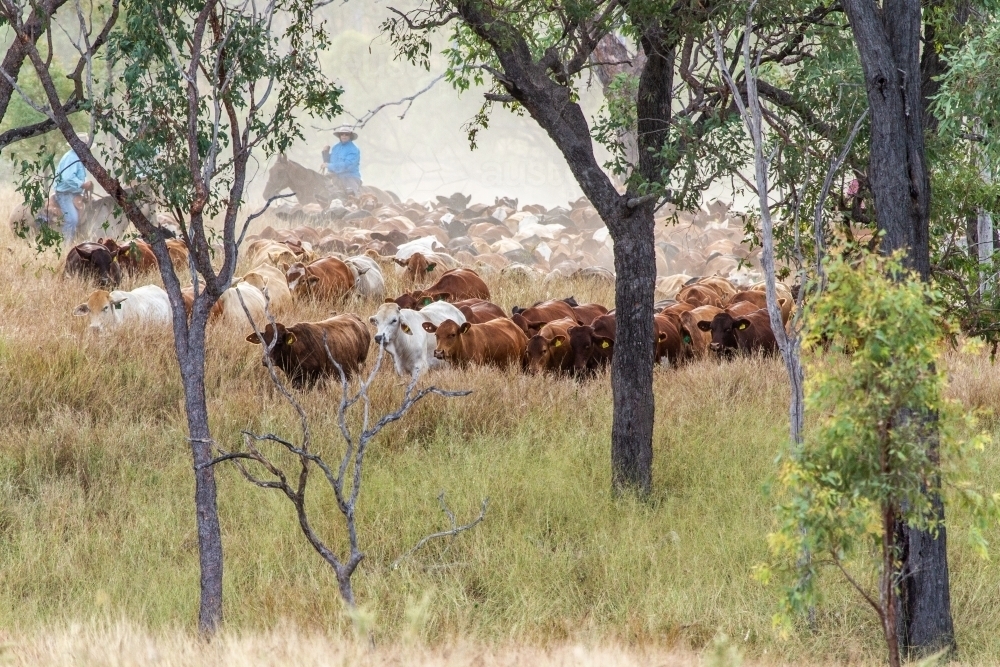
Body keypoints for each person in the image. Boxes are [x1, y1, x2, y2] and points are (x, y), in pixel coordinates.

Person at [54, 135, 94, 239]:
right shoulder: (72, 157)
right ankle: (65, 246)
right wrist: (82, 184)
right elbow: (67, 177)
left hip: (74, 193)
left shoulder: (77, 157)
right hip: (65, 194)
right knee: (72, 219)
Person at [324, 125, 361, 196]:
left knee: (351, 195)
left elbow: (347, 165)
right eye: (342, 134)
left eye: (346, 134)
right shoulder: (336, 147)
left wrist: (329, 165)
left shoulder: (353, 149)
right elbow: (331, 161)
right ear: (339, 136)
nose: (344, 136)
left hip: (349, 177)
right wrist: (325, 153)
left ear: (350, 136)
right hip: (334, 176)